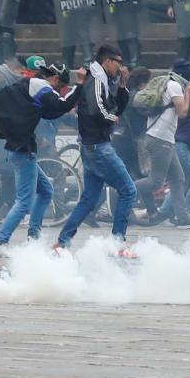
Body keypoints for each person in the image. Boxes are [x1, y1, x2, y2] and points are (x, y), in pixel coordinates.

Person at [0, 61, 84, 255]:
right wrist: (80, 85)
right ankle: (0, 242)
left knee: (46, 190)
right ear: (55, 78)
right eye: (60, 86)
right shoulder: (40, 85)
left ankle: (34, 236)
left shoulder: (33, 85)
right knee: (24, 201)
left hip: (22, 149)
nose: (59, 90)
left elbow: (51, 112)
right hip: (23, 151)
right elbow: (61, 104)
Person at [54, 45, 138, 252]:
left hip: (91, 146)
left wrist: (123, 85)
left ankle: (62, 242)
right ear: (107, 61)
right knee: (128, 190)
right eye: (117, 64)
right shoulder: (96, 79)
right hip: (99, 147)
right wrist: (112, 118)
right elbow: (97, 110)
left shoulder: (103, 79)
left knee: (89, 200)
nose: (119, 68)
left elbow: (116, 105)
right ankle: (118, 244)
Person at [132, 61, 190, 227]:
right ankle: (123, 190)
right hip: (160, 138)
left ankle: (182, 217)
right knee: (156, 181)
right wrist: (189, 93)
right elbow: (183, 112)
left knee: (178, 178)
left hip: (165, 138)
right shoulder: (174, 85)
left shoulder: (168, 84)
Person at [156, 60, 190, 228]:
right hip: (182, 147)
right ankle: (183, 212)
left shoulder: (179, 100)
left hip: (175, 145)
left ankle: (164, 211)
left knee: (180, 182)